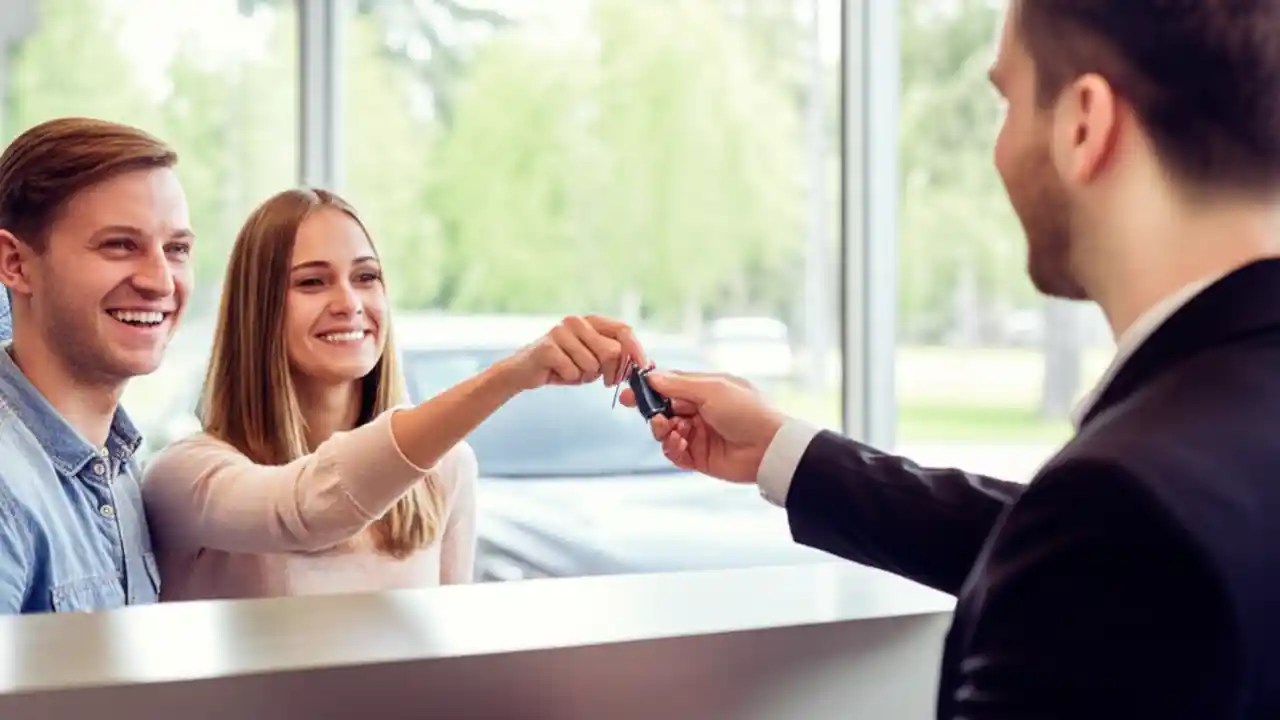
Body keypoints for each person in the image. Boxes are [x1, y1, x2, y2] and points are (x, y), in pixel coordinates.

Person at [627, 1, 1280, 717]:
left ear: (1083, 124)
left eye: (1007, 101)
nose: (998, 148)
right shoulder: (1187, 480)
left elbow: (1105, 555)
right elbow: (1105, 566)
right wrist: (788, 452)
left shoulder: (1122, 510)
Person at [141, 188, 646, 600]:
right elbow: (309, 508)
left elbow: (448, 670)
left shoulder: (447, 471)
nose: (350, 303)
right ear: (258, 310)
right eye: (313, 282)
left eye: (366, 277)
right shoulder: (186, 476)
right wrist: (512, 374)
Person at [0, 117, 192, 613]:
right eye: (120, 245)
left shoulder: (119, 465)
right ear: (15, 264)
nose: (161, 282)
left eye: (176, 249)